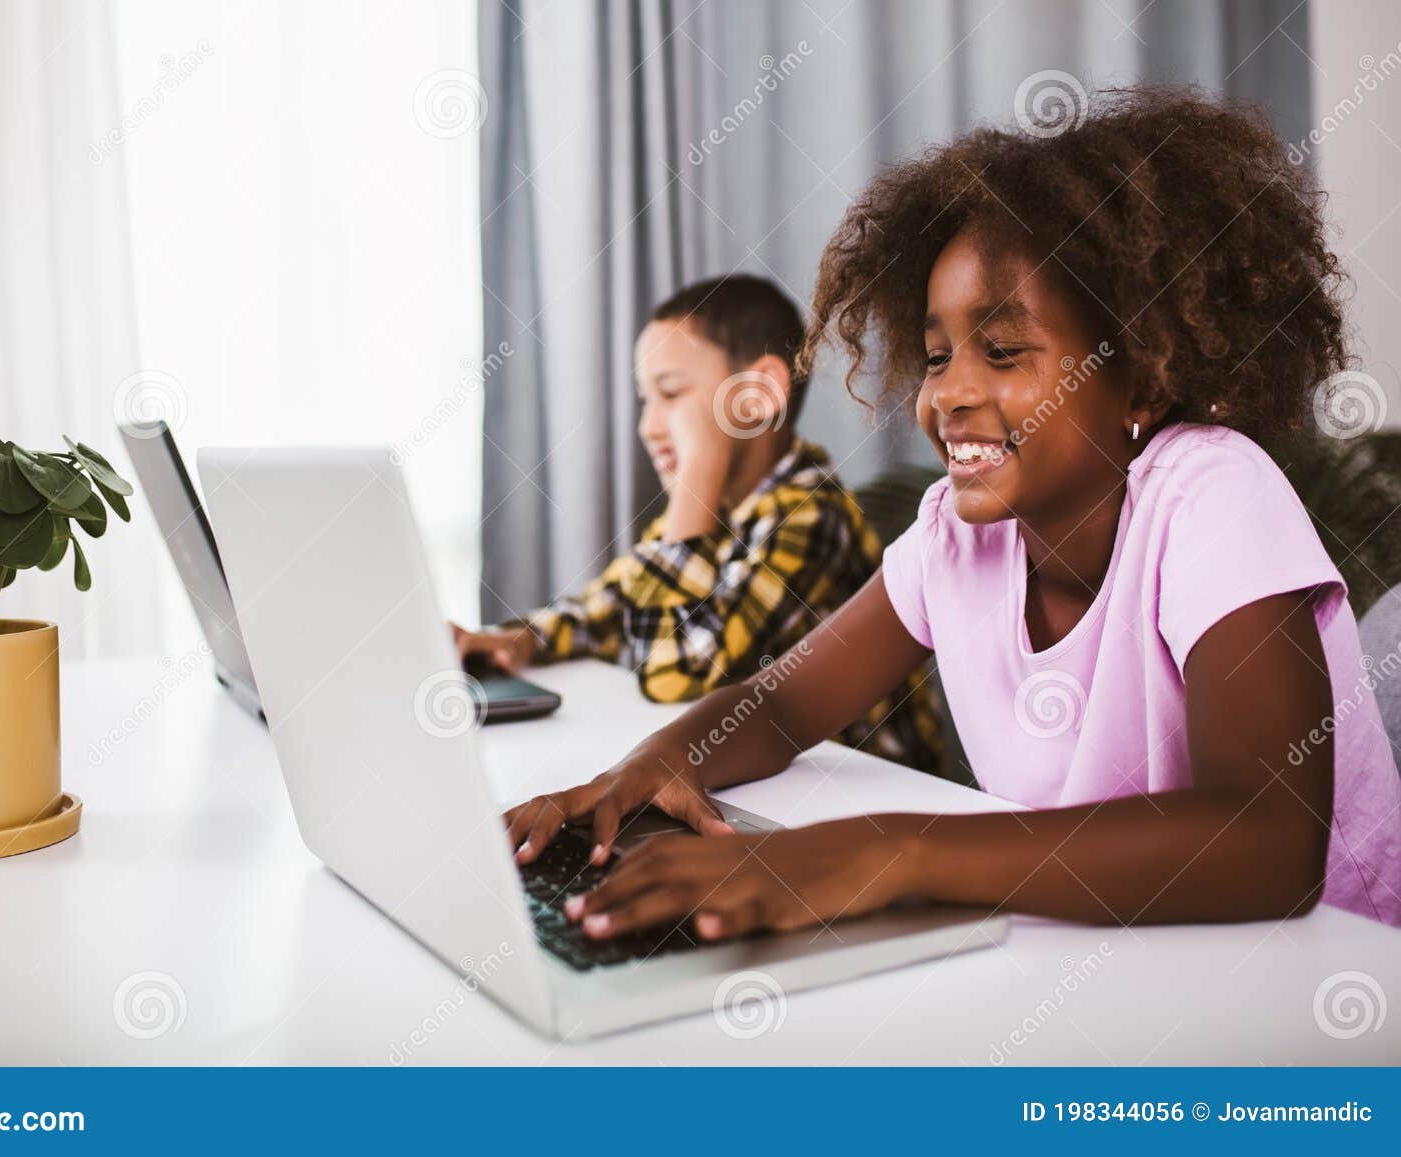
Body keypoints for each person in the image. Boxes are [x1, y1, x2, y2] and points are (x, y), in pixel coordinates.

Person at [504, 88, 1401, 928]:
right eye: (936, 357)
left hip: (1321, 983)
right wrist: (650, 766)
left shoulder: (1211, 493)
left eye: (1004, 350)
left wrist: (891, 850)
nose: (949, 395)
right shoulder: (954, 538)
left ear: (1144, 376)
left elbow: (1271, 847)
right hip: (1115, 960)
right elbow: (778, 708)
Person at [457, 275, 940, 770]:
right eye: (646, 399)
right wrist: (520, 638)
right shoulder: (719, 512)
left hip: (865, 793)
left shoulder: (811, 515)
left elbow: (674, 674)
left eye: (670, 394)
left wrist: (697, 472)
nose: (648, 426)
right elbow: (610, 606)